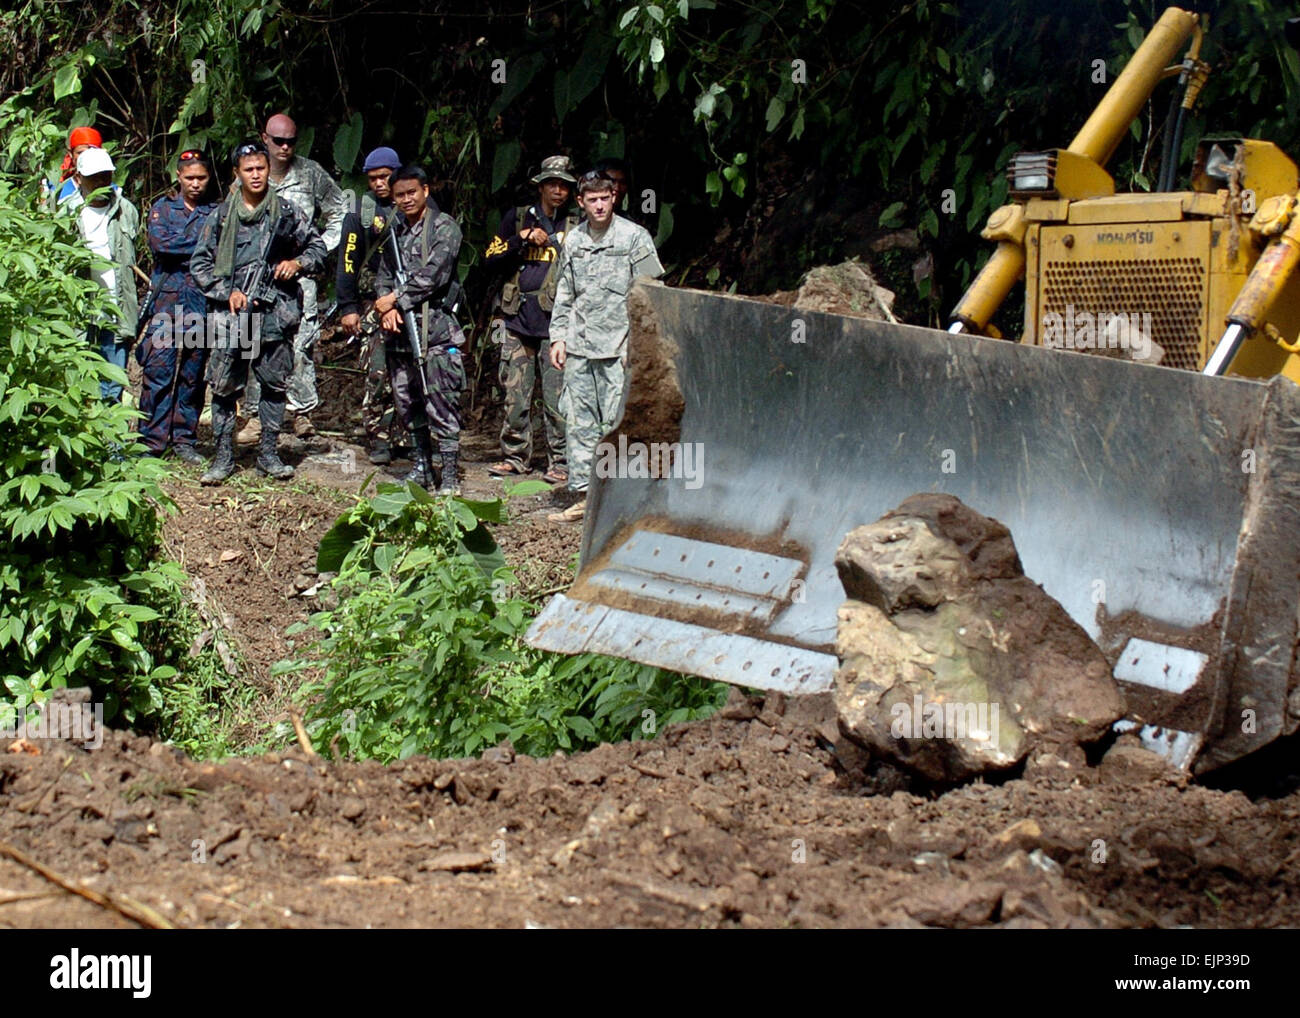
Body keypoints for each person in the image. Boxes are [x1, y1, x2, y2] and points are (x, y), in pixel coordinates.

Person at [191, 140, 327, 485]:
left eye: (261, 169)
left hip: (273, 315)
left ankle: (268, 453)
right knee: (223, 388)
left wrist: (296, 263)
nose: (256, 175)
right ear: (237, 174)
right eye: (248, 169)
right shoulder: (222, 215)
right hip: (232, 319)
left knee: (274, 385)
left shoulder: (285, 211)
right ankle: (223, 458)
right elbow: (200, 263)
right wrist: (227, 292)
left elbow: (318, 248)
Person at [547, 170, 664, 523]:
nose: (599, 205)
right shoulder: (573, 241)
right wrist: (558, 337)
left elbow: (651, 294)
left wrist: (641, 345)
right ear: (580, 202)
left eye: (605, 198)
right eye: (592, 199)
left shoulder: (634, 237)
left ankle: (623, 501)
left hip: (619, 349)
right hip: (581, 347)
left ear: (614, 198)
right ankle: (585, 497)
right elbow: (564, 292)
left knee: (619, 424)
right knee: (579, 424)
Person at [237, 113, 347, 444]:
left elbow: (340, 211)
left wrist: (315, 253)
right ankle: (255, 416)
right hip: (260, 279)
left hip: (299, 279)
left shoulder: (310, 173)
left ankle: (301, 413)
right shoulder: (251, 173)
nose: (285, 147)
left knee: (301, 343)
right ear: (264, 138)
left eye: (291, 141)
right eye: (278, 141)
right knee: (256, 343)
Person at [483, 155, 579, 484]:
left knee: (558, 399)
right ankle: (514, 457)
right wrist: (521, 239)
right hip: (517, 321)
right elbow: (491, 259)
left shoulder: (577, 224)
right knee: (514, 396)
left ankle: (562, 461)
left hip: (558, 326)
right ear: (540, 186)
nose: (558, 190)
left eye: (564, 185)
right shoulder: (518, 217)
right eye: (551, 184)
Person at [374, 164, 466, 494]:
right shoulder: (394, 231)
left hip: (436, 331)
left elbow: (434, 275)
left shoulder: (444, 227)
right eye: (399, 195)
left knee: (440, 400)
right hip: (400, 334)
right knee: (406, 401)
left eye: (412, 192)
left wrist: (394, 300)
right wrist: (386, 308)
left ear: (426, 191)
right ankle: (422, 465)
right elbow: (383, 273)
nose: (406, 199)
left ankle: (451, 473)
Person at [136, 149, 218, 463]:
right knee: (159, 372)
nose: (195, 183)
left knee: (192, 376)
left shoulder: (215, 211)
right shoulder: (163, 208)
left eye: (201, 178)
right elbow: (162, 245)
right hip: (167, 303)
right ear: (179, 178)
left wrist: (201, 247)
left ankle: (184, 440)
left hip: (200, 302)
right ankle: (151, 443)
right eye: (190, 178)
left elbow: (222, 248)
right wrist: (203, 245)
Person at [336, 146, 408, 465]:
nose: (379, 183)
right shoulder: (361, 213)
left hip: (408, 301)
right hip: (372, 304)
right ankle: (378, 436)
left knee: (409, 371)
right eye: (373, 178)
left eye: (385, 176)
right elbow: (347, 261)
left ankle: (406, 435)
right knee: (378, 371)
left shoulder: (414, 205)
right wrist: (348, 306)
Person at [71, 147, 140, 404]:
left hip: (116, 311)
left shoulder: (126, 210)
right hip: (80, 315)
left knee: (113, 385)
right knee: (79, 384)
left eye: (106, 175)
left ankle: (113, 444)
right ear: (79, 179)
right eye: (94, 177)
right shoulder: (67, 214)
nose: (101, 182)